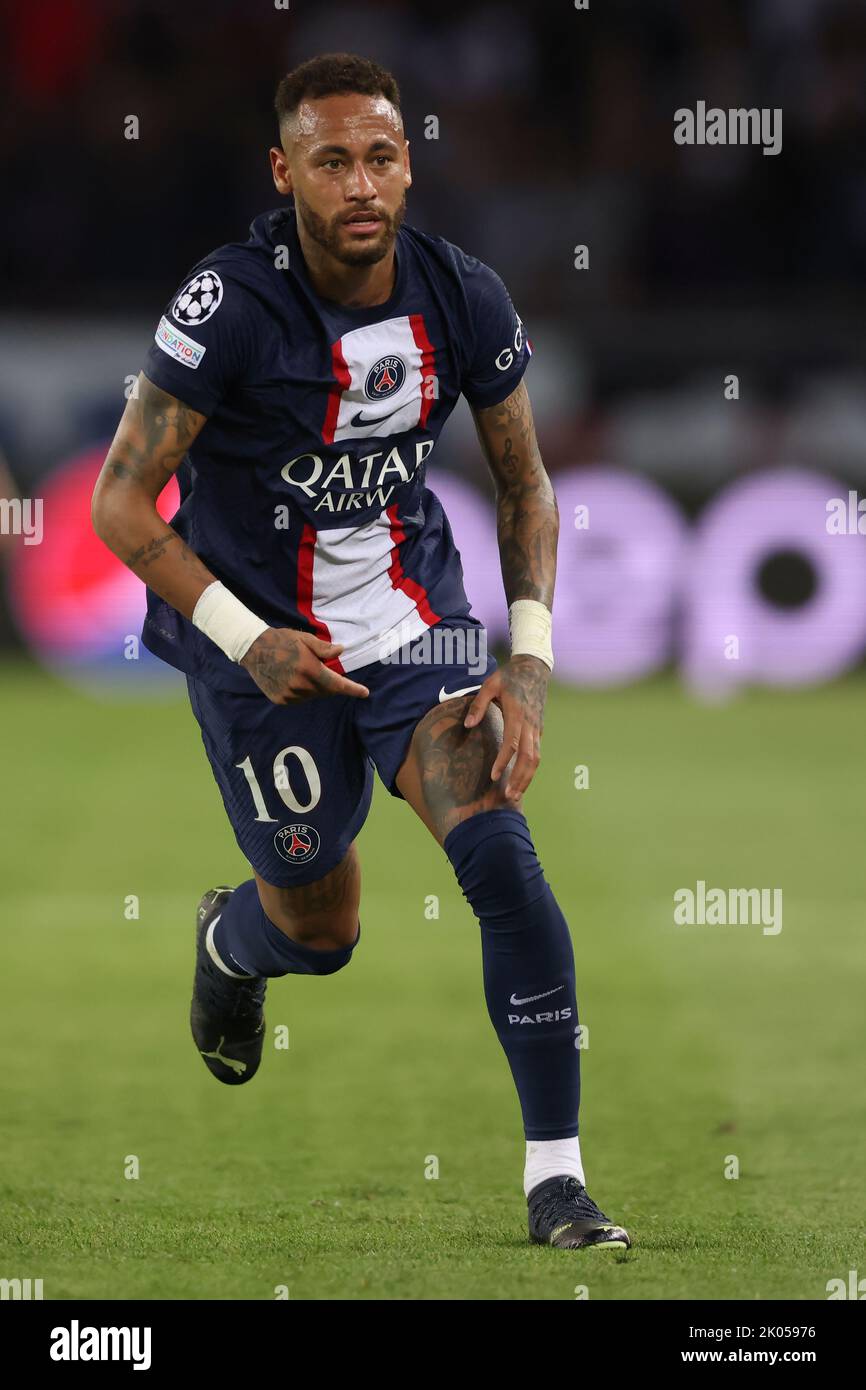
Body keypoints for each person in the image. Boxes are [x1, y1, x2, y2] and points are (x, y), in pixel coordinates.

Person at [91, 51, 629, 1252]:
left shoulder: (462, 295)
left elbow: (524, 483)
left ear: (406, 165)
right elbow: (120, 507)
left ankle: (556, 1182)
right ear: (285, 173)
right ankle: (233, 939)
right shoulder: (229, 305)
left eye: (380, 156)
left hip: (414, 628)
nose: (360, 183)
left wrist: (527, 658)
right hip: (258, 652)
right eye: (331, 160)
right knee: (320, 933)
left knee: (502, 856)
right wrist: (247, 637)